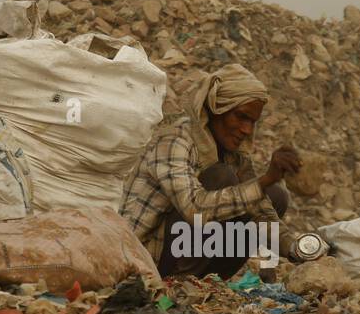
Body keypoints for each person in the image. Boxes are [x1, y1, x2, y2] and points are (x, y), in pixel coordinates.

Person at [121, 64, 301, 279]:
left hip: (195, 260)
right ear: (217, 109)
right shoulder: (176, 140)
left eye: (252, 122)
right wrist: (265, 180)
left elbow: (261, 212)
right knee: (222, 178)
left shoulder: (235, 155)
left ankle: (204, 284)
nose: (247, 130)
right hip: (147, 261)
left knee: (274, 196)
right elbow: (195, 209)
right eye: (241, 117)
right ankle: (177, 286)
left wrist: (296, 248)